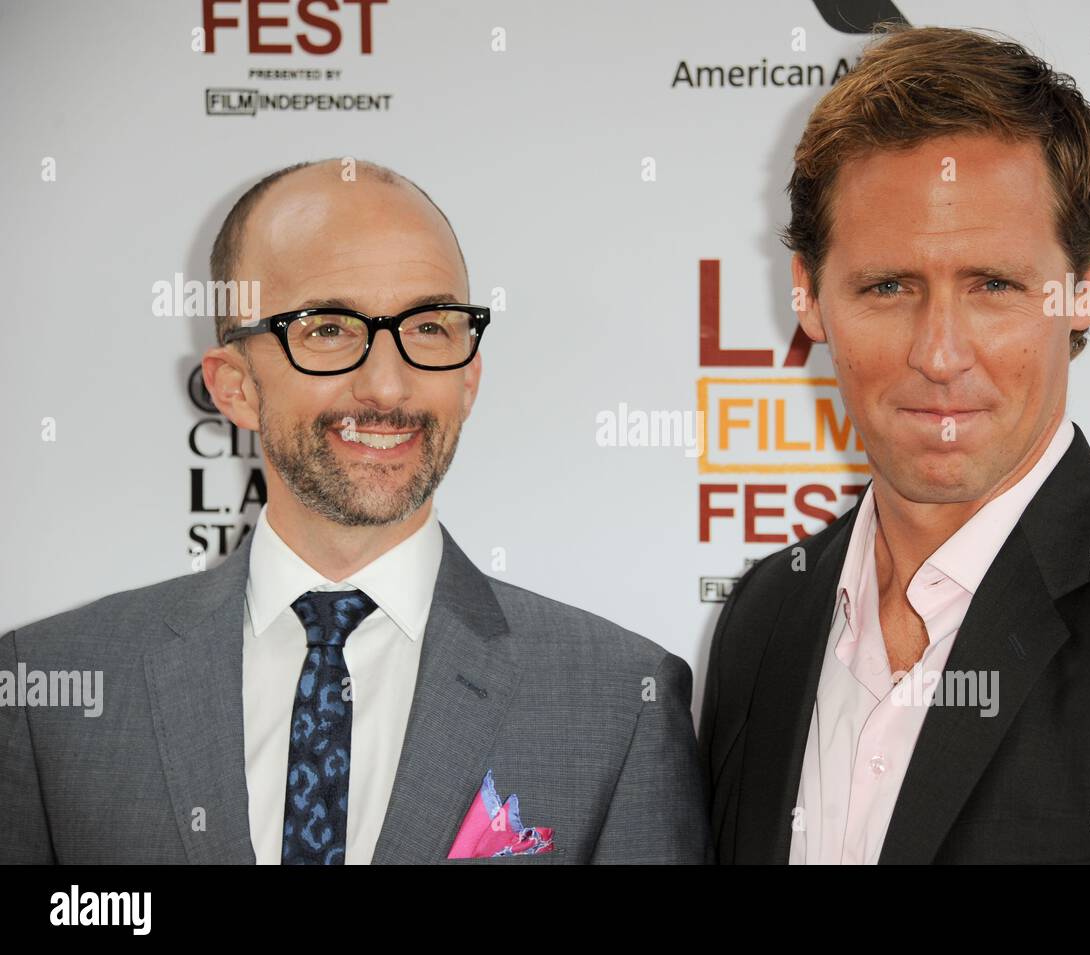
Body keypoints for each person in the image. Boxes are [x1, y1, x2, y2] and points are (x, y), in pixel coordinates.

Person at [699, 25, 1090, 864]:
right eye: (888, 286)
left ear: (1085, 287)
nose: (939, 354)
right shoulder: (765, 617)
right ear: (807, 295)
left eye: (993, 286)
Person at [1, 158, 710, 864]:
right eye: (329, 328)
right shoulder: (49, 692)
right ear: (234, 385)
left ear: (470, 377)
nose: (389, 385)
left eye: (430, 327)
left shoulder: (618, 702)